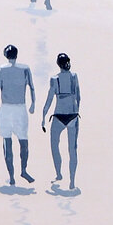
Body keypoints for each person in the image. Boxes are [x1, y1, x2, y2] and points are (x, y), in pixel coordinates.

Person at [0, 45, 36, 186]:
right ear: (16, 54)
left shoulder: (0, 70)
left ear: (5, 55)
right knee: (23, 141)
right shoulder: (25, 69)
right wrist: (33, 103)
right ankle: (23, 170)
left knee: (7, 142)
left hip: (6, 109)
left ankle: (11, 176)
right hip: (20, 108)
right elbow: (32, 87)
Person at [40, 53, 81, 190]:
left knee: (54, 145)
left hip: (59, 116)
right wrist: (76, 110)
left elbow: (49, 100)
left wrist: (43, 117)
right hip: (72, 115)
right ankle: (72, 181)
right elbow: (78, 97)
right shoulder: (74, 77)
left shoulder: (54, 79)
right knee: (72, 149)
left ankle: (58, 173)